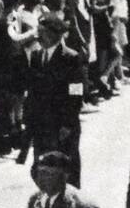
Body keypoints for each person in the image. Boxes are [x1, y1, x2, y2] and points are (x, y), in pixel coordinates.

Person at [23, 13, 84, 187]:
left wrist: (68, 123)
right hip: (41, 124)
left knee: (66, 168)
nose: (38, 37)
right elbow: (32, 90)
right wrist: (28, 120)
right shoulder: (35, 56)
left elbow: (76, 93)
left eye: (42, 33)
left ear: (53, 34)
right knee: (40, 169)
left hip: (62, 125)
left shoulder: (71, 58)